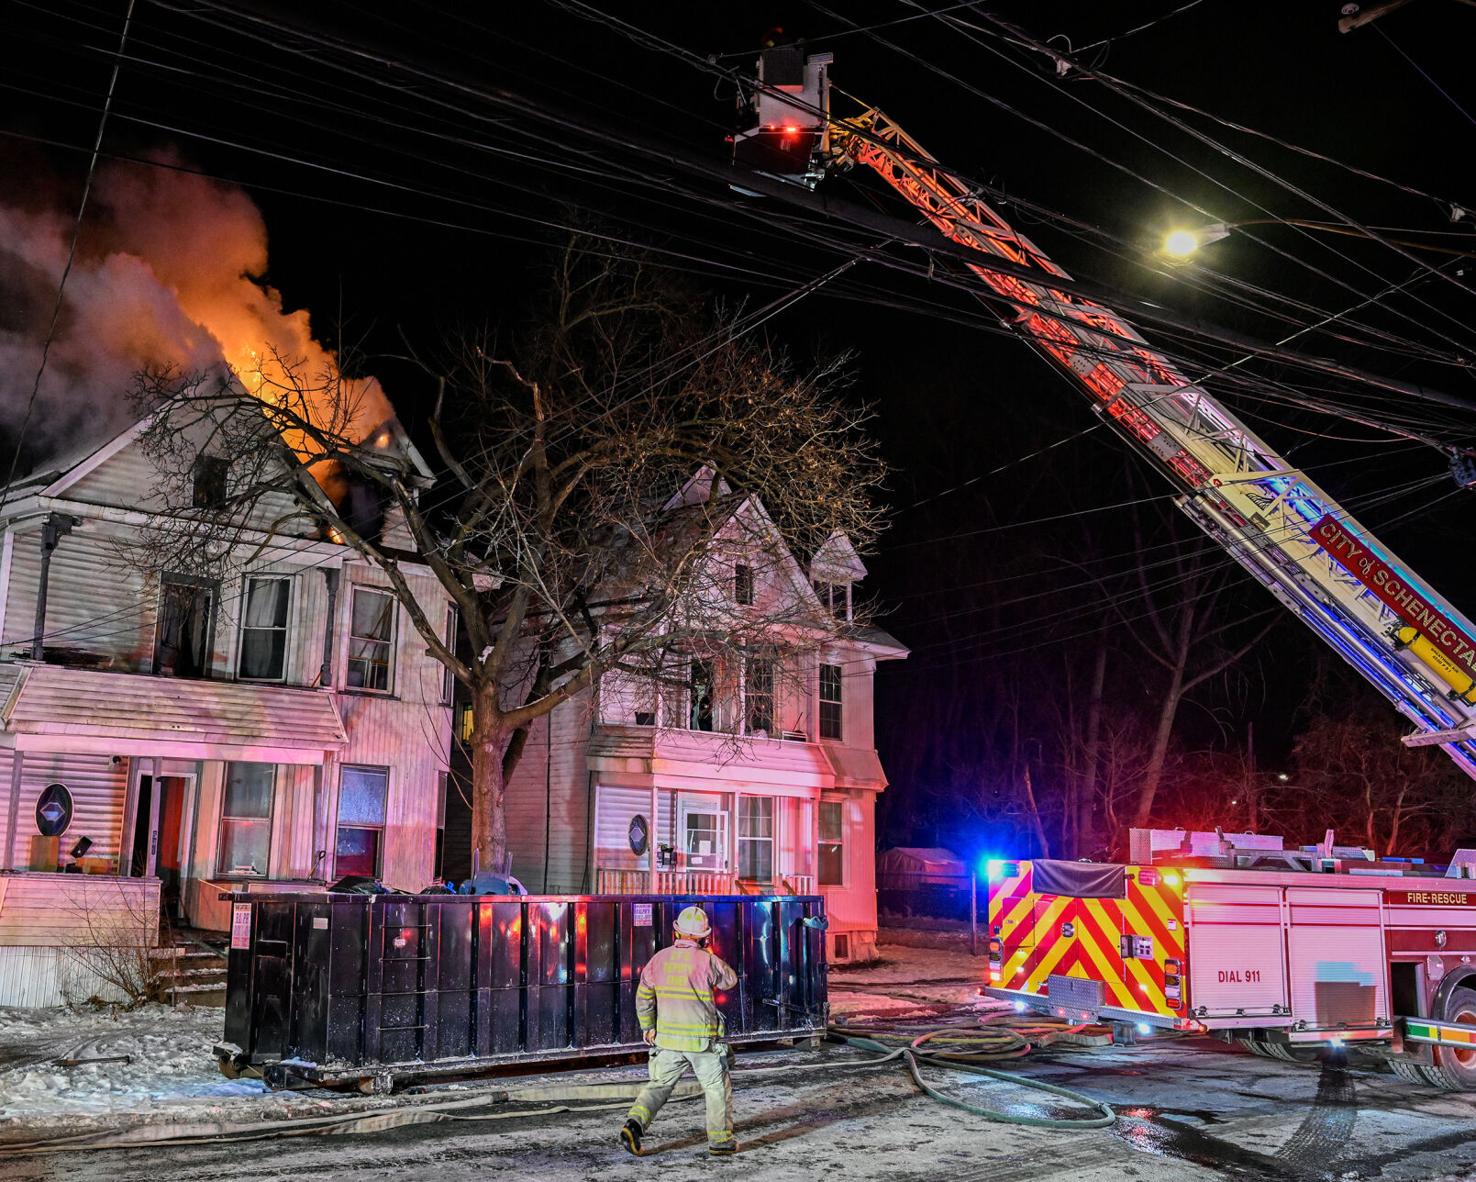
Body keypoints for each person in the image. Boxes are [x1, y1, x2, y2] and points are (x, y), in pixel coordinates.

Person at [620, 905, 739, 1157]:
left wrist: (648, 1026)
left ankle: (634, 1125)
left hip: (667, 1039)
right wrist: (708, 954)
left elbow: (643, 996)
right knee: (716, 1088)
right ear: (703, 936)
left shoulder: (659, 959)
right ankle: (720, 1141)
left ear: (677, 932)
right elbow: (730, 980)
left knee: (659, 1085)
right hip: (701, 1042)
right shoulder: (707, 960)